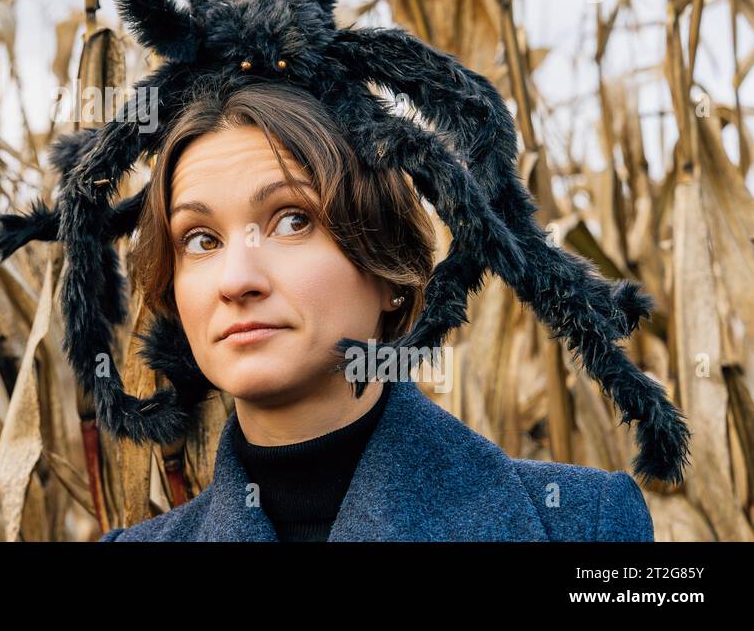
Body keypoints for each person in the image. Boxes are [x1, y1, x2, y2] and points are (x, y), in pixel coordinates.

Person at [99, 80, 654, 542]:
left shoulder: (581, 525)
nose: (237, 280)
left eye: (293, 220)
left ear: (391, 271)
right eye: (200, 239)